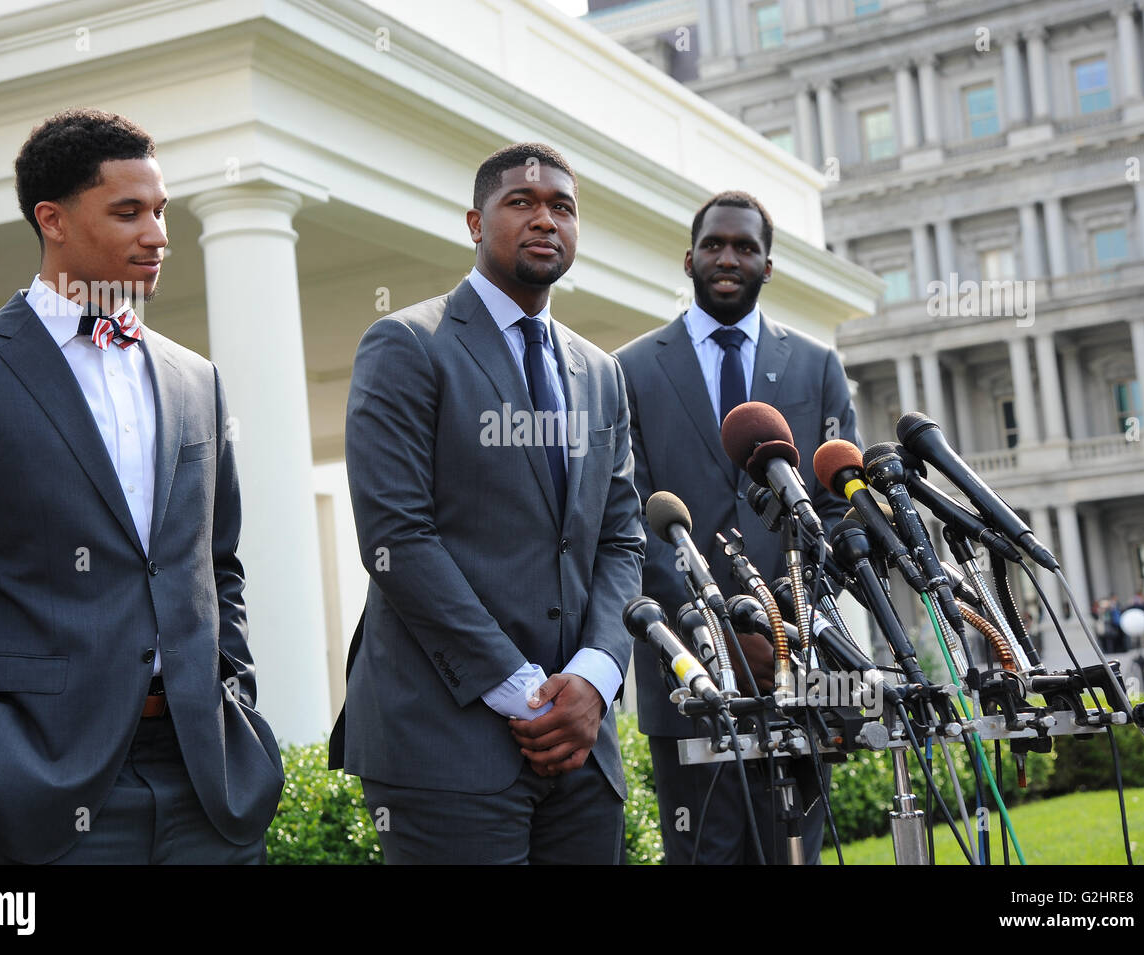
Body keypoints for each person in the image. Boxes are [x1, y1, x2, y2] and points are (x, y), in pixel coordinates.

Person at [0, 109, 283, 864]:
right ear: (53, 220)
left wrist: (236, 700)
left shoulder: (197, 380)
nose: (158, 234)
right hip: (27, 789)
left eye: (161, 210)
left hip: (205, 783)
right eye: (128, 212)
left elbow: (218, 566)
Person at [331, 143, 645, 864]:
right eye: (522, 203)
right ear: (476, 222)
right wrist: (527, 692)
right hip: (445, 739)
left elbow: (621, 539)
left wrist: (596, 678)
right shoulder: (408, 344)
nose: (545, 219)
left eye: (562, 207)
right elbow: (397, 538)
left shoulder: (601, 373)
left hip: (581, 743)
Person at [613, 190, 858, 865]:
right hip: (685, 668)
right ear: (687, 258)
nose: (729, 258)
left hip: (799, 665)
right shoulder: (628, 370)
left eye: (745, 247)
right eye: (715, 244)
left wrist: (778, 628)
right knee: (705, 854)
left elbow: (837, 510)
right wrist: (715, 627)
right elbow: (626, 517)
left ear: (769, 265)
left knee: (793, 854)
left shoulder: (816, 367)